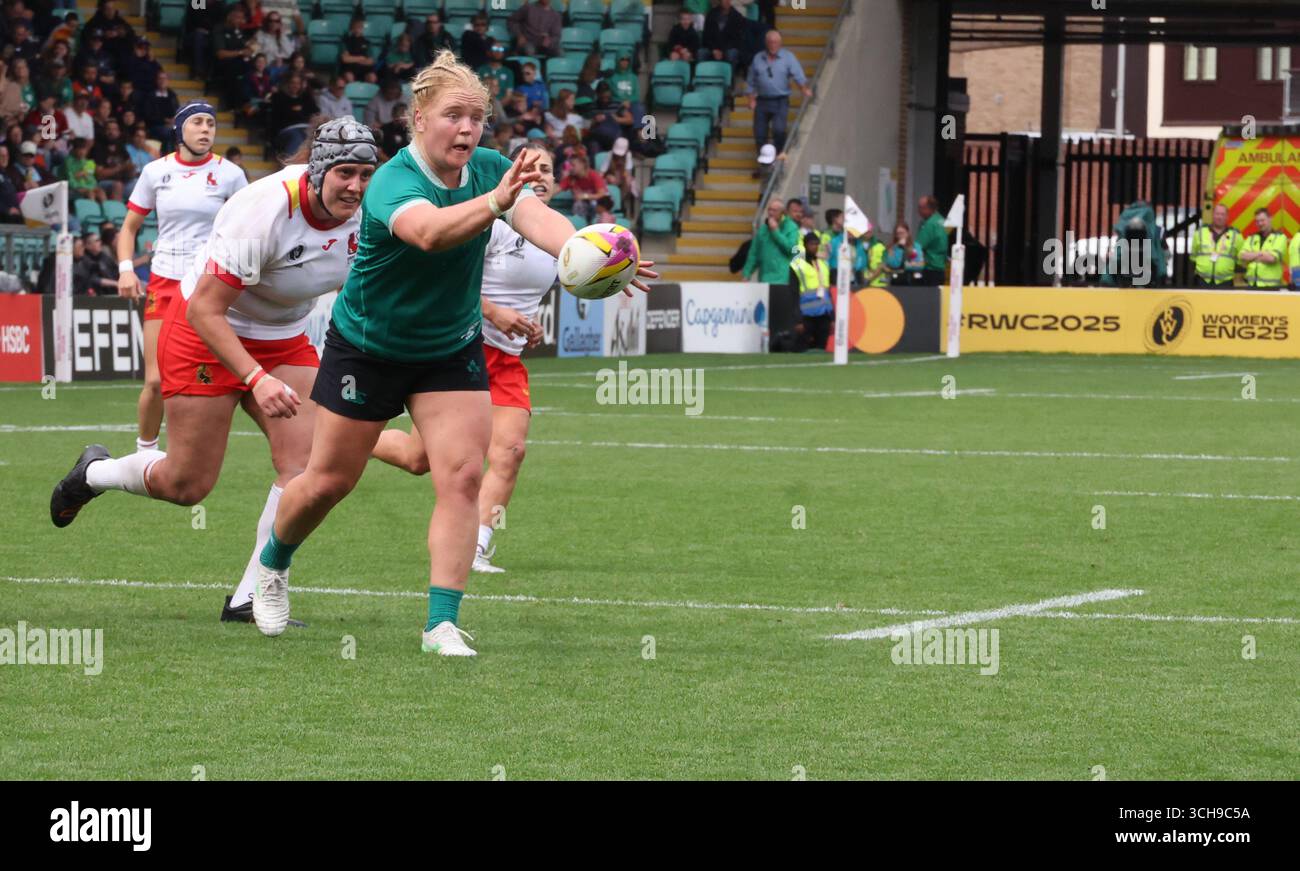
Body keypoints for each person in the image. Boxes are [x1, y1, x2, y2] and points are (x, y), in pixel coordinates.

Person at [250, 51, 655, 652]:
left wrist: (594, 252)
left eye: (476, 117)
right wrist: (496, 201)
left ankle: (440, 622)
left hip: (449, 347)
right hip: (368, 347)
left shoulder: (492, 168)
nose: (467, 129)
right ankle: (273, 565)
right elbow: (429, 234)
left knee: (464, 477)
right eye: (453, 115)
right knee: (330, 480)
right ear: (418, 117)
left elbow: (538, 219)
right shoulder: (392, 179)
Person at [50, 119, 379, 631]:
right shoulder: (264, 209)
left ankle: (253, 593)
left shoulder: (372, 213)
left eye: (365, 173)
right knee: (187, 485)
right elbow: (207, 309)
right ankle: (92, 474)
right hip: (206, 327)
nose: (355, 186)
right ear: (315, 172)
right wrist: (256, 379)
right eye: (344, 173)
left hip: (282, 338)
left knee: (307, 468)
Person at [372, 140, 559, 574]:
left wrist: (529, 324)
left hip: (507, 359)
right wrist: (495, 313)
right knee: (419, 460)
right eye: (532, 166)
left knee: (510, 449)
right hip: (463, 346)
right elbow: (445, 281)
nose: (541, 175)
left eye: (547, 168)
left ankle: (477, 544)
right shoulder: (490, 220)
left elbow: (526, 295)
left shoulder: (550, 231)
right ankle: (345, 441)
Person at [116, 101, 249, 457]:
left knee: (202, 378)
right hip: (165, 282)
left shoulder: (231, 175)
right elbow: (129, 228)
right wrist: (126, 269)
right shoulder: (155, 172)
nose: (206, 129)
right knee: (156, 381)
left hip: (209, 286)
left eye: (211, 123)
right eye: (197, 123)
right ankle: (145, 452)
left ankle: (191, 455)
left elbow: (246, 229)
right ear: (180, 130)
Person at [745, 30, 810, 165]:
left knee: (779, 130)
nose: (773, 45)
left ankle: (779, 155)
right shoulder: (758, 58)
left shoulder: (788, 57)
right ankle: (764, 162)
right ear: (766, 43)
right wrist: (751, 99)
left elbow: (798, 75)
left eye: (775, 42)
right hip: (762, 100)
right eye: (770, 42)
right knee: (759, 133)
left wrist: (804, 89)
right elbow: (751, 80)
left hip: (780, 100)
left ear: (780, 43)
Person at [742, 196, 798, 283]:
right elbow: (754, 253)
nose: (771, 213)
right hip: (764, 278)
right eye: (769, 210)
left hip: (782, 279)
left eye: (774, 210)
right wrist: (747, 273)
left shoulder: (791, 227)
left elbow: (792, 249)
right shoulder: (763, 229)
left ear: (782, 213)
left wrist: (776, 232)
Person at [791, 232, 832, 350]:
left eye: (816, 244)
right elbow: (793, 294)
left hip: (823, 313)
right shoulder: (797, 266)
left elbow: (827, 292)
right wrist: (798, 320)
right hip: (806, 315)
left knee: (821, 347)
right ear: (805, 245)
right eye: (811, 244)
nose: (814, 247)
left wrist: (832, 316)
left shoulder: (822, 264)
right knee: (802, 347)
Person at [1190, 203, 1241, 289]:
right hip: (1202, 281)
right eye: (1217, 214)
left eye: (1222, 214)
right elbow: (1193, 257)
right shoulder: (1199, 233)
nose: (1219, 217)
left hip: (1225, 282)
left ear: (1227, 217)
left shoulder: (1236, 236)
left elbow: (1241, 260)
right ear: (1213, 215)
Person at [1241, 207, 1287, 290]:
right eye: (1257, 221)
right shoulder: (1251, 238)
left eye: (1262, 220)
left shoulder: (1280, 237)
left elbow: (1271, 258)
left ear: (1270, 219)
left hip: (1271, 287)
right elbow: (1243, 256)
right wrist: (1261, 253)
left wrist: (1252, 256)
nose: (1260, 223)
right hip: (1251, 285)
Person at [559, 152, 607, 221]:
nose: (570, 168)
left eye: (573, 165)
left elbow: (602, 194)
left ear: (582, 164)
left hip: (599, 206)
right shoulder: (570, 178)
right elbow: (557, 188)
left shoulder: (593, 175)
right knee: (578, 205)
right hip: (582, 207)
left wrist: (584, 196)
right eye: (570, 165)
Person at [914, 195, 949, 285]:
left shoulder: (930, 224)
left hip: (930, 268)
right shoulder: (942, 220)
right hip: (941, 267)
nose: (918, 211)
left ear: (929, 208)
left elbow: (918, 246)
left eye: (920, 208)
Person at [703, 0, 748, 68]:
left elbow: (737, 39)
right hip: (713, 47)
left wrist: (723, 50)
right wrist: (713, 49)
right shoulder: (711, 14)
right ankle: (702, 76)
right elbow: (706, 36)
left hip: (728, 48)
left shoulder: (737, 16)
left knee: (731, 53)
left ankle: (730, 77)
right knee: (701, 52)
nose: (727, 1)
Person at [73, 229, 117, 294]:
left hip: (113, 292)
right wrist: (115, 283)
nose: (100, 243)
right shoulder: (84, 260)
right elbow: (94, 279)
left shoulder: (104, 256)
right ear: (88, 246)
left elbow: (116, 271)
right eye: (97, 241)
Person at [339, 16, 377, 83]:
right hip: (350, 68)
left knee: (372, 77)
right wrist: (361, 58)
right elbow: (345, 59)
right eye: (355, 27)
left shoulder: (367, 42)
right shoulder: (345, 41)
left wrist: (353, 59)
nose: (357, 29)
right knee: (348, 76)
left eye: (359, 27)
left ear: (362, 28)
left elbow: (371, 61)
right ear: (351, 28)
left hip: (364, 68)